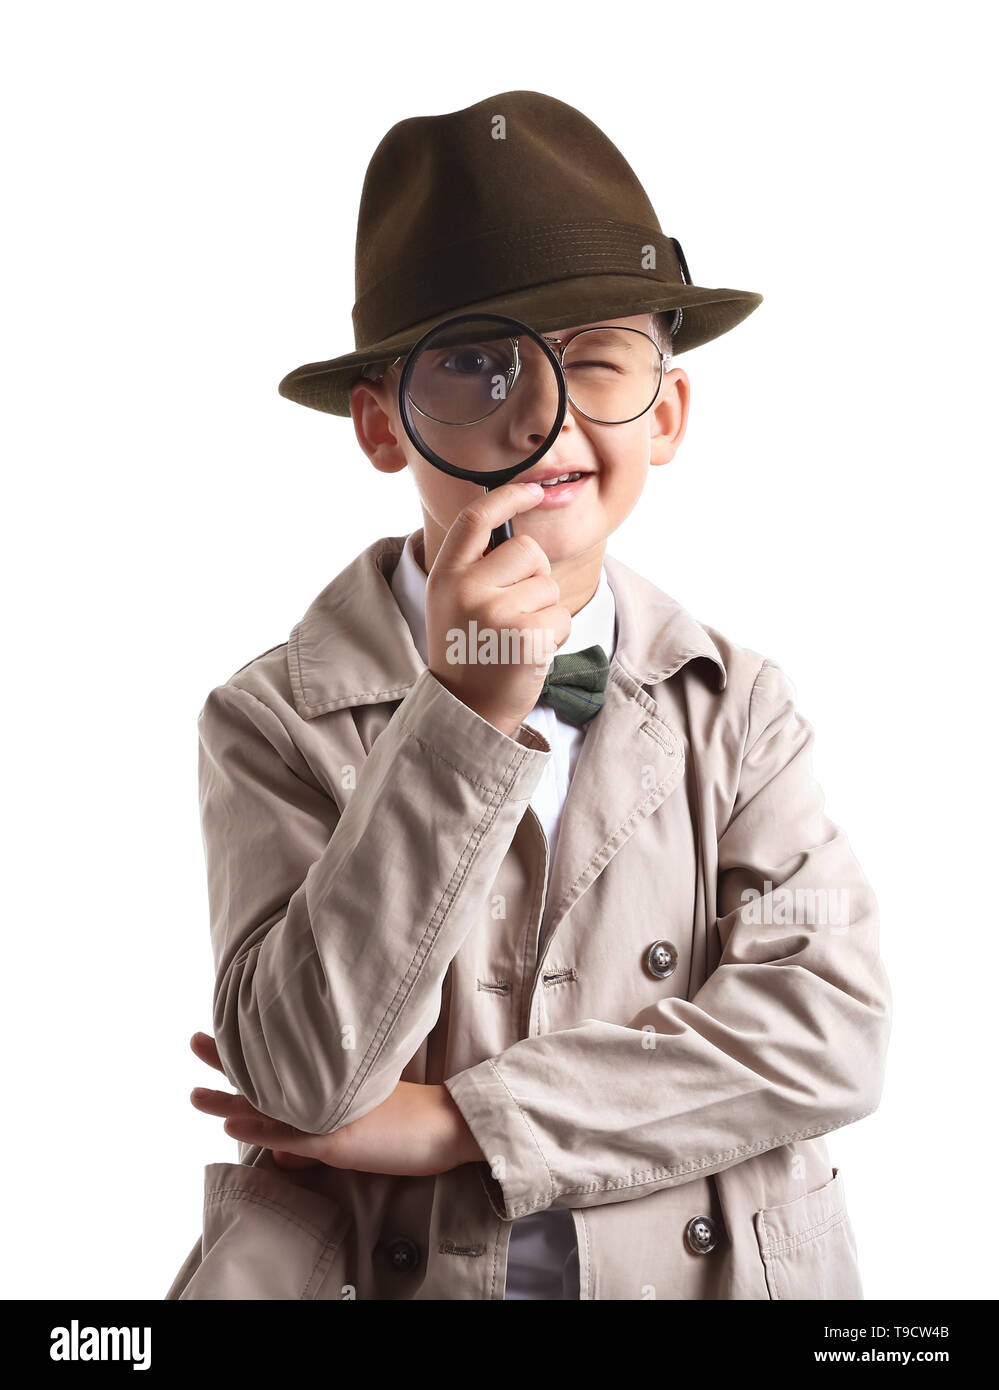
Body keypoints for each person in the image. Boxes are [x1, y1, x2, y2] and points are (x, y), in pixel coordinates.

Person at [166, 90, 891, 1301]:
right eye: (474, 364)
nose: (540, 414)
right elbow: (299, 1078)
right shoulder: (270, 719)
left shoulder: (741, 706)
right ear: (383, 424)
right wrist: (460, 716)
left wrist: (462, 1120)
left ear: (664, 415)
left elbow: (833, 1033)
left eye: (594, 360)